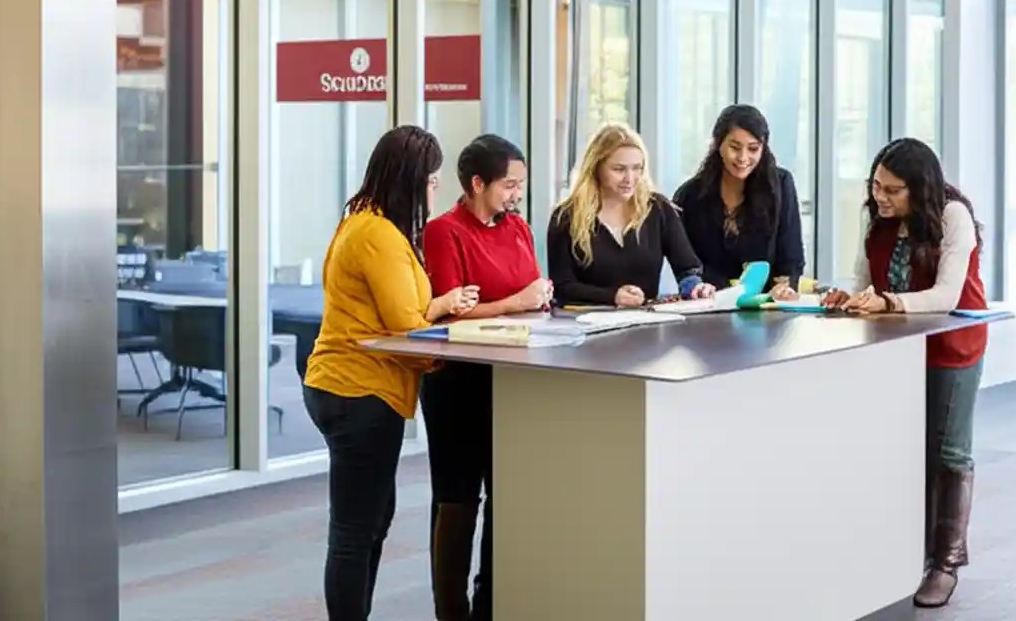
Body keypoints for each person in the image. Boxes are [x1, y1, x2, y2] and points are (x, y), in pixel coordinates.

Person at [302, 126, 480, 621]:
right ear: (411, 180)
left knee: (373, 519)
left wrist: (439, 304)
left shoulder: (363, 221)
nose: (435, 191)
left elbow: (395, 307)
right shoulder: (379, 234)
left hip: (344, 383)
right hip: (361, 388)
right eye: (432, 180)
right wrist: (445, 339)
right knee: (356, 531)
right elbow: (406, 325)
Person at [821, 137, 989, 609]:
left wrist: (889, 301)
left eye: (893, 190)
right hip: (897, 348)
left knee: (949, 451)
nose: (881, 197)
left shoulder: (953, 217)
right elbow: (865, 281)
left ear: (920, 189)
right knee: (907, 451)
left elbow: (946, 295)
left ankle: (946, 562)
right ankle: (908, 554)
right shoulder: (876, 219)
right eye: (877, 185)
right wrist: (849, 297)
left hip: (951, 344)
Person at [421, 134, 551, 621]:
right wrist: (515, 302)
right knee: (457, 500)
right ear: (477, 183)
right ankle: (451, 611)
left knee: (507, 495)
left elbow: (530, 293)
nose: (516, 195)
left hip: (514, 377)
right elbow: (449, 316)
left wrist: (534, 299)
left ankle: (492, 606)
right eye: (509, 185)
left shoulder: (518, 227)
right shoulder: (443, 232)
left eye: (520, 185)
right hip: (458, 380)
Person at [547, 122, 716, 307]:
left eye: (637, 168)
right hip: (585, 324)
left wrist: (695, 287)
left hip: (645, 324)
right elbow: (562, 286)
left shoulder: (658, 209)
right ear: (596, 167)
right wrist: (612, 297)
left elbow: (687, 270)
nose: (630, 179)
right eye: (619, 169)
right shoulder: (565, 217)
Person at [672, 103, 805, 300]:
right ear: (718, 144)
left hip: (768, 307)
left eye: (753, 149)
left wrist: (784, 288)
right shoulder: (691, 195)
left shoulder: (780, 184)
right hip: (710, 305)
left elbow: (790, 255)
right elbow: (687, 263)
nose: (743, 158)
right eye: (735, 147)